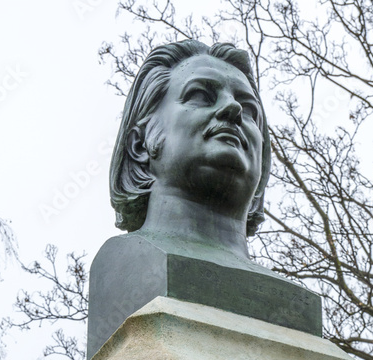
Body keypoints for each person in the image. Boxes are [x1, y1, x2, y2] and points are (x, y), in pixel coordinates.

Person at [109, 40, 271, 261]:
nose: (234, 108)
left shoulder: (287, 293)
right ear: (140, 145)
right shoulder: (128, 265)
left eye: (249, 108)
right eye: (201, 95)